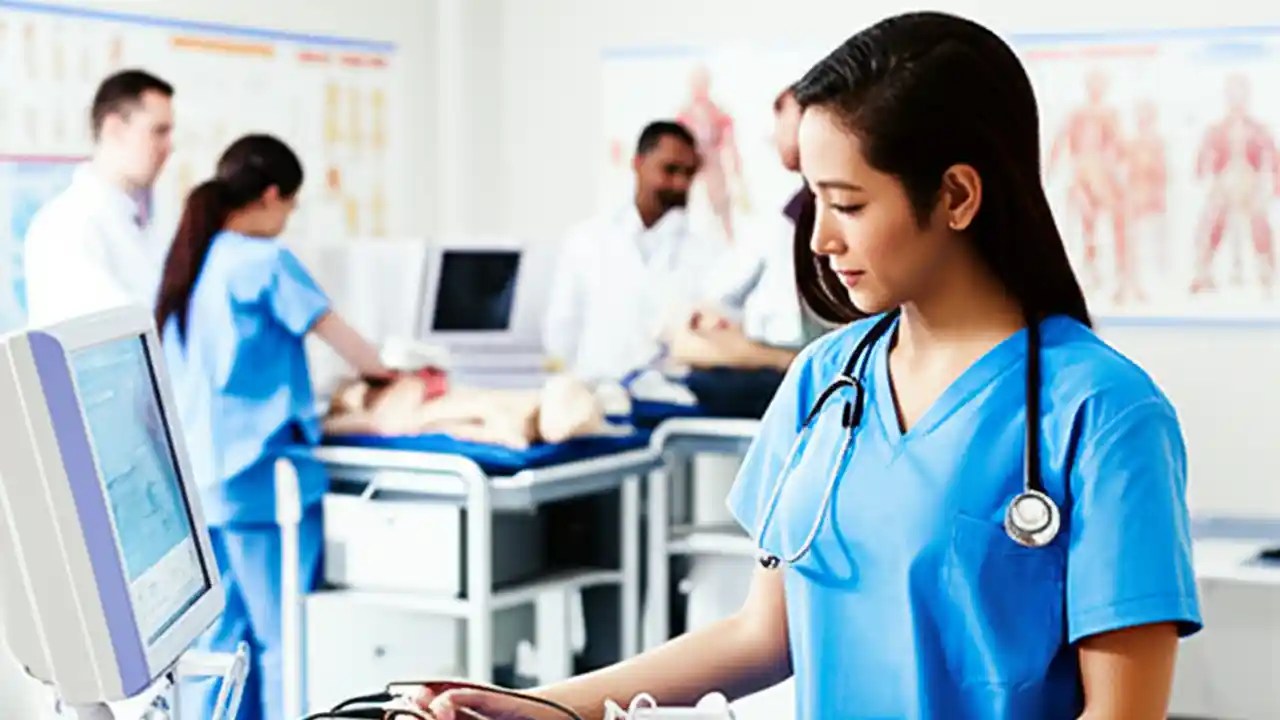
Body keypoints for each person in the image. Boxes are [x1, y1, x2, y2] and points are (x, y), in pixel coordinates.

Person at [414, 12, 1201, 720]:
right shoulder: (826, 381)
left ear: (957, 196)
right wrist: (541, 707)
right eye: (812, 199)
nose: (821, 237)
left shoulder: (1102, 413)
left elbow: (1122, 714)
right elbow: (762, 635)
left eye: (848, 204)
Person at [155, 134, 393, 720]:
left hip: (206, 488)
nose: (287, 219)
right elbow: (348, 344)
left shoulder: (198, 259)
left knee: (224, 642)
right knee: (285, 640)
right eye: (290, 205)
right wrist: (390, 372)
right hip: (263, 482)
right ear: (270, 196)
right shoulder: (266, 262)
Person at [673, 87, 845, 375]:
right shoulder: (787, 214)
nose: (778, 131)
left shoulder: (829, 208)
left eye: (787, 115)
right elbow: (718, 296)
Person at [543, 120, 714, 382]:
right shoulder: (587, 241)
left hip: (673, 400)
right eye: (670, 170)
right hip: (596, 398)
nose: (680, 184)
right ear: (638, 163)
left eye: (689, 173)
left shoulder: (708, 252)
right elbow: (561, 332)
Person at [24, 69, 174, 326]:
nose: (169, 146)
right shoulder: (66, 225)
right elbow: (116, 331)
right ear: (114, 128)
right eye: (158, 131)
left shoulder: (138, 222)